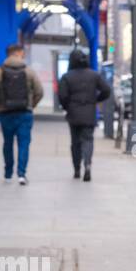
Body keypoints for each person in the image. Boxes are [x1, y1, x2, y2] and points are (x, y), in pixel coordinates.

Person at [0, 43, 43, 185]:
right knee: (24, 143)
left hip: (6, 113)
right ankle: (22, 174)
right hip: (25, 113)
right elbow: (39, 91)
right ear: (18, 53)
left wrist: (0, 105)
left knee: (8, 142)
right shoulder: (28, 71)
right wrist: (31, 105)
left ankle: (7, 173)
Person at [57, 47, 111, 182]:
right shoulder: (94, 75)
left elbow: (62, 96)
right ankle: (87, 164)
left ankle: (76, 169)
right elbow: (106, 90)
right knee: (88, 140)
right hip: (89, 112)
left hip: (73, 113)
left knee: (75, 142)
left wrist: (67, 106)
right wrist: (96, 100)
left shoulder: (67, 77)